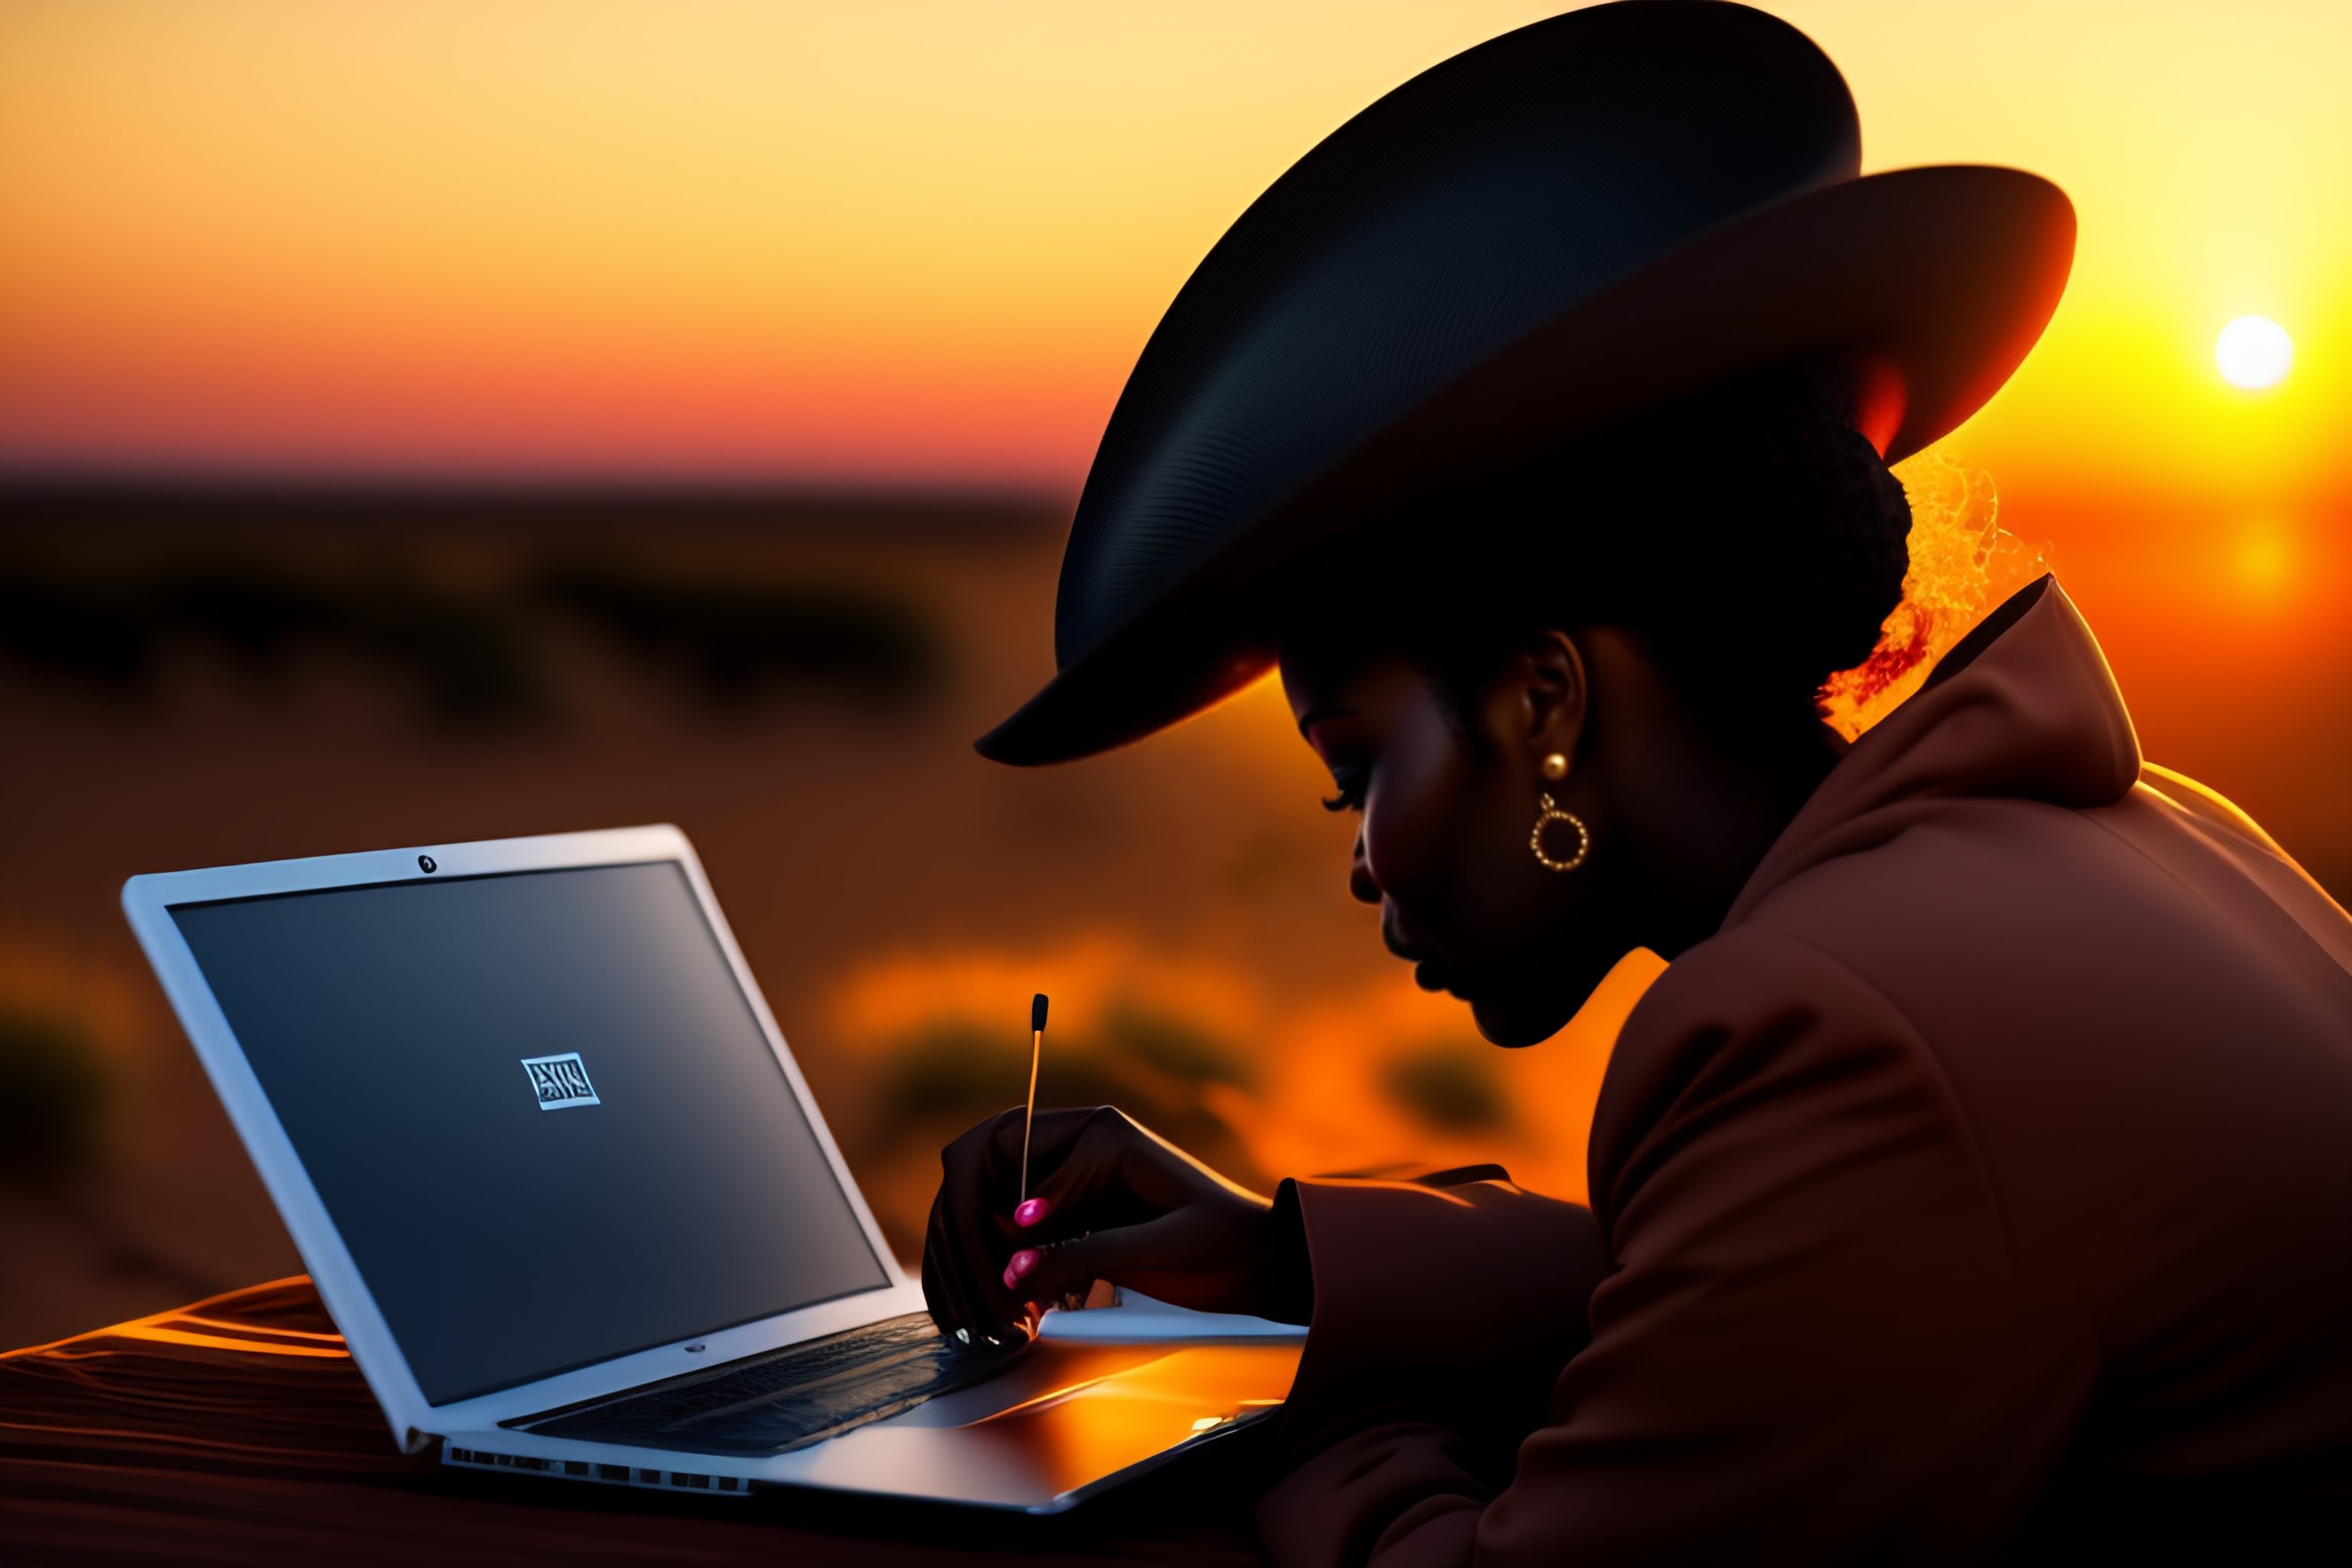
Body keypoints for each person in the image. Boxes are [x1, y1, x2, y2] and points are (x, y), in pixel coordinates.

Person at [920, 5, 2352, 1561]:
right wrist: (1285, 1264)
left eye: (1356, 769)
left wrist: (1302, 1419)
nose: (1363, 860)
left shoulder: (1836, 1031)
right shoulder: (2135, 837)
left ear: (1545, 700)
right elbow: (1797, 1296)